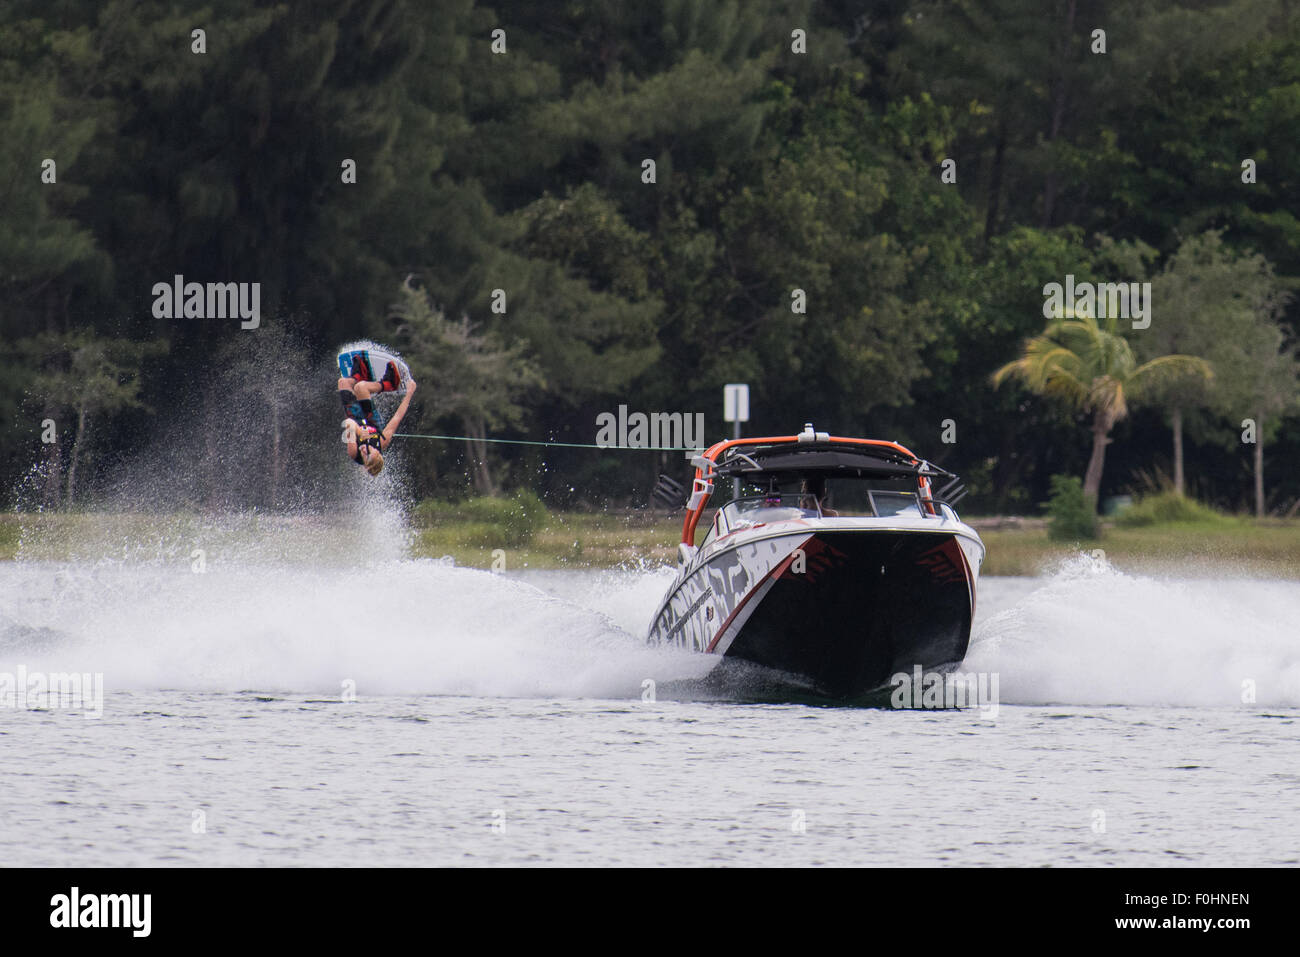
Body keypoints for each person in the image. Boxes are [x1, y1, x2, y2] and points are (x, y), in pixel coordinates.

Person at [337, 359, 416, 476]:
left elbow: (348, 422)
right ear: (377, 452)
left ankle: (359, 375)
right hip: (371, 419)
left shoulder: (354, 452)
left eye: (365, 457)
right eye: (369, 453)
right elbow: (397, 418)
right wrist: (410, 393)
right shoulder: (381, 442)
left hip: (354, 416)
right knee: (361, 387)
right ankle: (389, 383)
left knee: (343, 382)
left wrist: (358, 432)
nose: (364, 451)